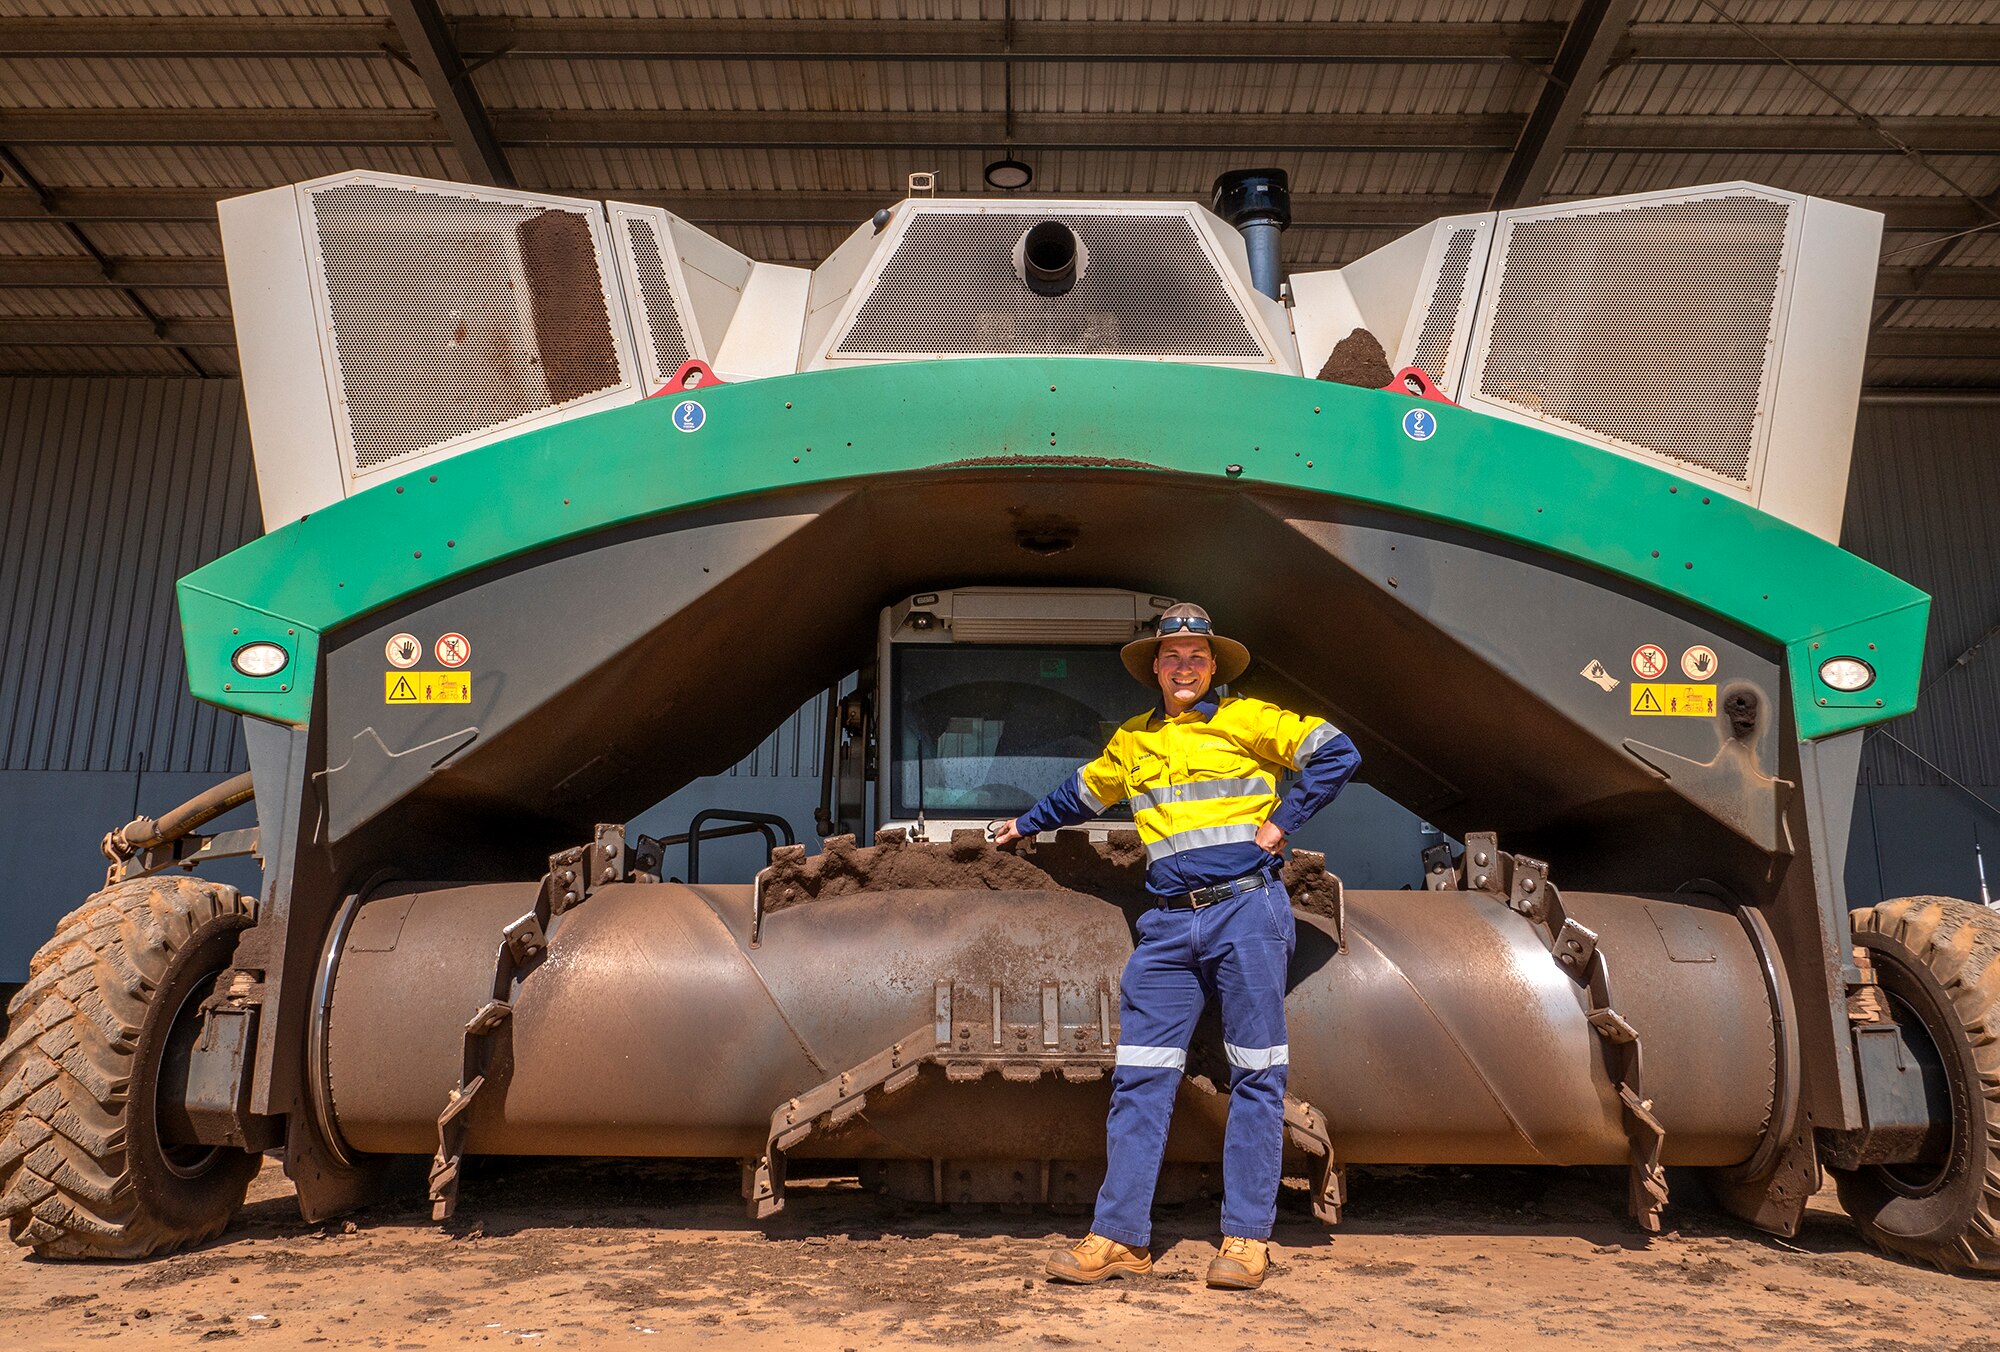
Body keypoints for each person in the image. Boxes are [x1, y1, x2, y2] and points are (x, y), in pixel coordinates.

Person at [992, 603, 1360, 1291]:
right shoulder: (1132, 742)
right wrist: (1020, 823)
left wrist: (1284, 821)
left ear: (1213, 665)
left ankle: (1247, 1240)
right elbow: (1081, 794)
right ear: (1153, 668)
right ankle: (1120, 1238)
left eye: (1196, 655)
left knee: (1256, 1073)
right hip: (1165, 927)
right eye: (1172, 655)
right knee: (1140, 1076)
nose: (1184, 665)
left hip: (1246, 911)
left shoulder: (1249, 720)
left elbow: (1338, 752)